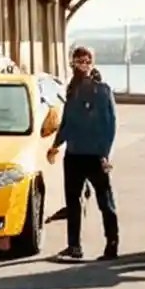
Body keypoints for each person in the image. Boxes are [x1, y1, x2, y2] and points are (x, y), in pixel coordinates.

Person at [46, 45, 119, 261]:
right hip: (74, 153)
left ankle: (112, 245)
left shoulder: (103, 89)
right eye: (79, 61)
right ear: (73, 63)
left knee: (105, 201)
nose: (83, 65)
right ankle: (74, 246)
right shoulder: (72, 89)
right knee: (73, 202)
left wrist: (106, 154)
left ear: (93, 63)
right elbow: (68, 122)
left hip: (96, 155)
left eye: (87, 61)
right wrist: (57, 144)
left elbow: (110, 124)